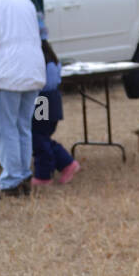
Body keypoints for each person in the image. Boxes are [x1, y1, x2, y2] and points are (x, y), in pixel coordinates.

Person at [0, 0, 46, 197]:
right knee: (23, 126)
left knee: (5, 129)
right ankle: (23, 176)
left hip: (6, 73)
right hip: (32, 69)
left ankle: (11, 181)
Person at [31, 38, 80, 185]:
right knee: (43, 137)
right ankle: (67, 164)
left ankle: (43, 176)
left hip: (43, 101)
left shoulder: (43, 64)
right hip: (53, 101)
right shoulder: (53, 62)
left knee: (38, 138)